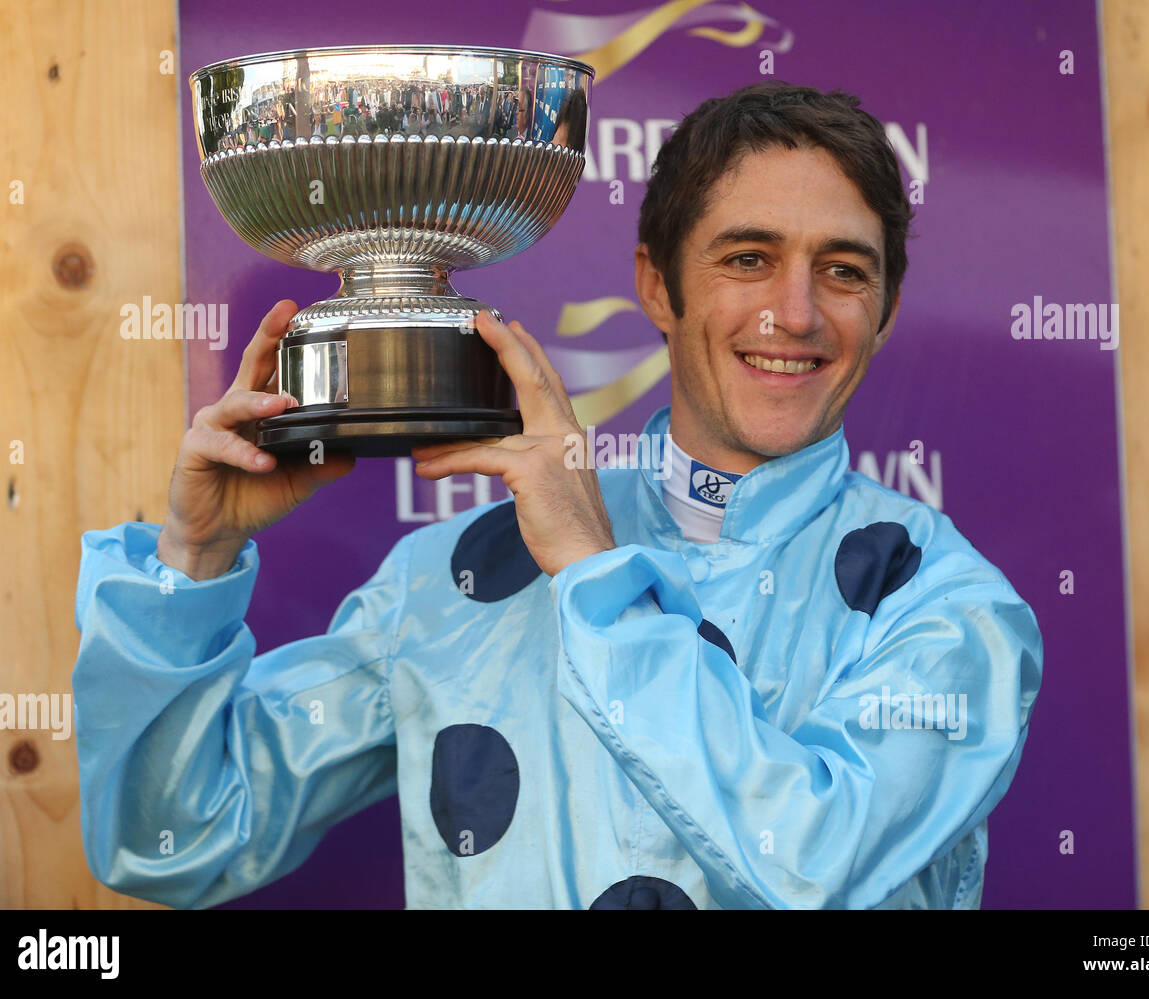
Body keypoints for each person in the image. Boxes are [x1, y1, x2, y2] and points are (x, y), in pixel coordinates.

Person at [72, 82, 1042, 910]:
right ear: (654, 287)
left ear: (884, 311)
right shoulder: (458, 577)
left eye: (841, 271)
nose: (792, 313)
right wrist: (189, 564)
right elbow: (174, 843)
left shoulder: (952, 612)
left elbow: (806, 858)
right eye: (746, 258)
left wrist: (592, 571)